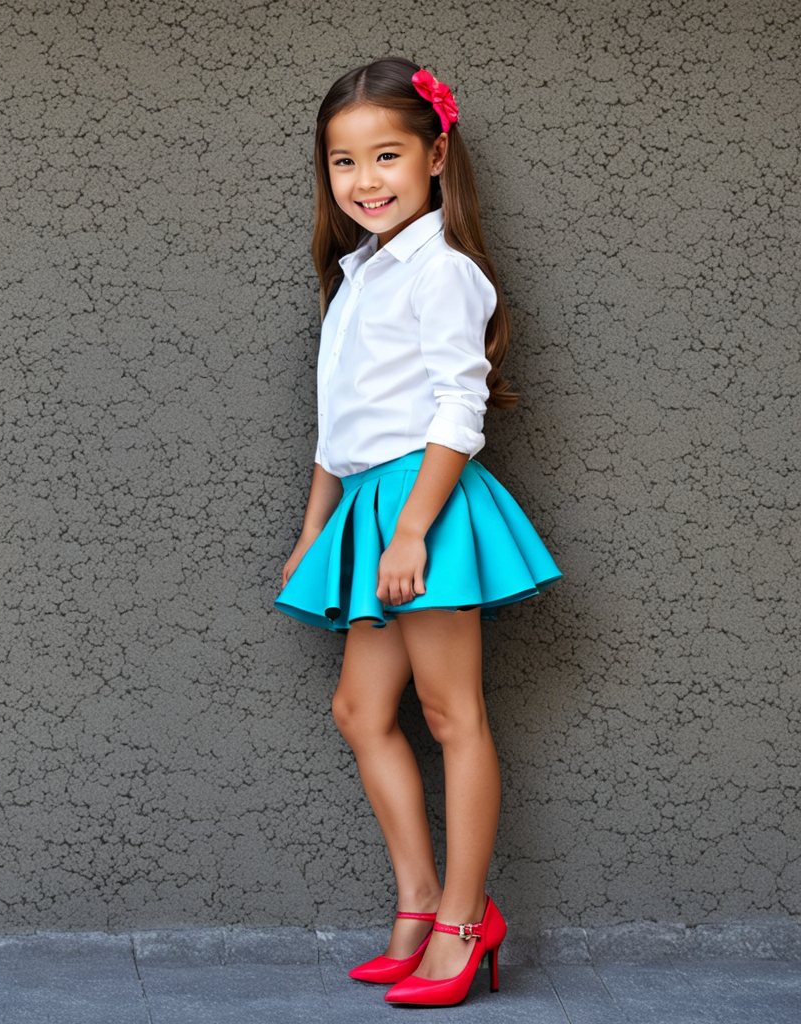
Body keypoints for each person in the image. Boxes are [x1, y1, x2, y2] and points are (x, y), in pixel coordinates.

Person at [273, 57, 562, 1007]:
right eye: (342, 162)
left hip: (424, 508)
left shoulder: (443, 272)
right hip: (368, 508)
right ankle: (418, 904)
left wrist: (411, 533)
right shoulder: (356, 276)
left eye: (386, 155)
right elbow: (339, 426)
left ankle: (467, 925)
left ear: (436, 156)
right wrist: (319, 527)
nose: (364, 181)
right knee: (361, 711)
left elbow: (457, 410)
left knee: (451, 715)